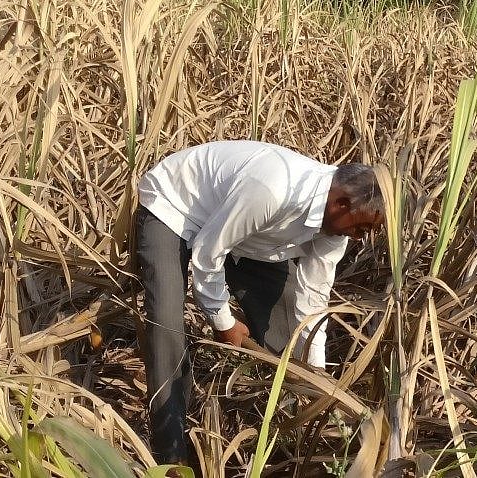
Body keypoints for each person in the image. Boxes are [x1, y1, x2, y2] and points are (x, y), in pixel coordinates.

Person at [133, 140, 385, 466]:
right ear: (341, 204)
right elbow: (209, 252)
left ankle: (285, 438)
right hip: (176, 206)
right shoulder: (272, 189)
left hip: (246, 235)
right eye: (362, 228)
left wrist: (316, 375)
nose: (359, 237)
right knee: (166, 323)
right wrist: (223, 322)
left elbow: (314, 298)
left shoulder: (335, 229)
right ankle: (171, 455)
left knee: (285, 329)